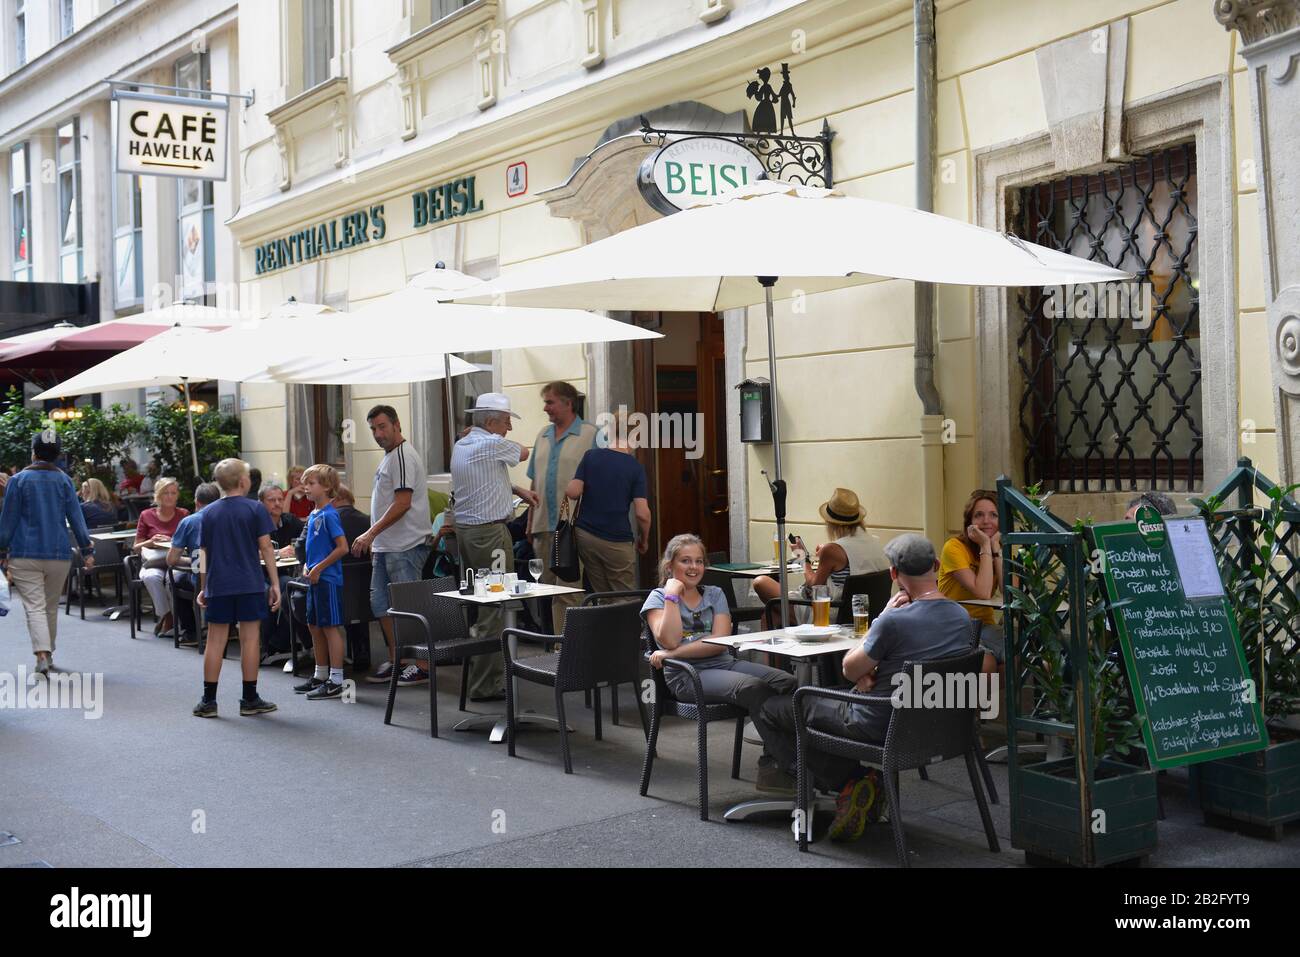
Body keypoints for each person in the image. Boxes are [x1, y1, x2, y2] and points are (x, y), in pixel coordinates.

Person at [751, 534, 977, 841]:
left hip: (876, 721)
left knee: (776, 707)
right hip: (937, 725)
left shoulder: (894, 621)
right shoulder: (961, 617)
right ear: (936, 566)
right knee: (818, 704)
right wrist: (876, 670)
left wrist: (882, 618)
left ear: (894, 574)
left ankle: (852, 779)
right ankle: (853, 782)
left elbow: (849, 668)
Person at [642, 533, 795, 786]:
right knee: (753, 688)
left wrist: (674, 653)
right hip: (686, 676)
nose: (694, 567)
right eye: (685, 561)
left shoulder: (715, 594)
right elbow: (669, 639)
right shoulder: (658, 598)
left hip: (723, 663)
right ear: (670, 566)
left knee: (786, 681)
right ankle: (788, 767)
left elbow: (719, 641)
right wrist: (671, 596)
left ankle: (775, 760)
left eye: (699, 561)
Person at [449, 393, 532, 701]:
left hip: (470, 533)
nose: (509, 427)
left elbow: (481, 479)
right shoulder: (489, 444)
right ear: (490, 421)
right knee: (496, 608)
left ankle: (483, 678)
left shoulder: (464, 444)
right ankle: (486, 684)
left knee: (482, 605)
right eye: (507, 420)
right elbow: (523, 453)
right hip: (490, 535)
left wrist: (515, 487)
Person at [352, 405, 433, 687]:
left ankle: (422, 665)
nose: (377, 434)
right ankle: (399, 660)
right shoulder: (389, 457)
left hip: (405, 545)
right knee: (381, 605)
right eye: (373, 429)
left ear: (397, 425)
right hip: (388, 545)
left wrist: (369, 534)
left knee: (409, 607)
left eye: (382, 427)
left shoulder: (401, 456)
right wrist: (375, 538)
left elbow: (402, 503)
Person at [0, 432, 94, 674]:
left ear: (33, 452)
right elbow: (76, 518)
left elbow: (7, 521)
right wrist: (86, 549)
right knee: (50, 606)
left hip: (24, 553)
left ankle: (42, 653)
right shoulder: (64, 481)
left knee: (34, 607)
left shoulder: (17, 480)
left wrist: (2, 549)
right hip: (59, 553)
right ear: (58, 455)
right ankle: (48, 653)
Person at [193, 458, 279, 718]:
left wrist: (203, 586)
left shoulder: (207, 513)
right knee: (250, 639)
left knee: (215, 640)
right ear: (243, 482)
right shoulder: (255, 509)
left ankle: (209, 701)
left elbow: (202, 554)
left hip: (219, 583)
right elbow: (265, 547)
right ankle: (249, 698)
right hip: (249, 583)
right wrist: (274, 582)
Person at [754, 487, 890, 626]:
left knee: (761, 582)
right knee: (771, 613)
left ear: (831, 522)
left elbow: (814, 588)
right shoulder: (874, 543)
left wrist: (802, 558)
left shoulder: (833, 550)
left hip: (829, 614)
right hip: (863, 613)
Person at [526, 381, 591, 632]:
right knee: (550, 591)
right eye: (545, 402)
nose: (545, 408)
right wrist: (530, 523)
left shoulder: (590, 434)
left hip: (573, 528)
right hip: (543, 526)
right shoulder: (542, 435)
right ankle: (558, 646)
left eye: (550, 402)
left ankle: (569, 650)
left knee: (568, 592)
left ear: (568, 403)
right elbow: (535, 481)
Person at [564, 411, 650, 595]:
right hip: (617, 539)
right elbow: (642, 513)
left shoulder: (591, 456)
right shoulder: (635, 467)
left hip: (585, 535)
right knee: (624, 596)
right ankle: (622, 624)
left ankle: (605, 622)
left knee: (601, 593)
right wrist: (644, 539)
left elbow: (572, 492)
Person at [292, 464, 349, 700]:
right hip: (314, 578)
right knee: (314, 626)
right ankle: (320, 674)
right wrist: (308, 565)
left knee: (329, 627)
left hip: (327, 580)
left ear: (326, 487)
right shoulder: (314, 514)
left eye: (311, 483)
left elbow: (342, 547)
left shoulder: (329, 515)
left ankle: (337, 680)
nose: (306, 487)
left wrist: (319, 568)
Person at [938, 489, 1004, 672]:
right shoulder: (953, 548)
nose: (986, 521)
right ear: (969, 522)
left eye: (993, 515)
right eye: (979, 515)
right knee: (986, 663)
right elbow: (982, 592)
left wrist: (996, 550)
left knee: (1024, 657)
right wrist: (985, 545)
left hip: (985, 625)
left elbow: (1010, 592)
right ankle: (977, 700)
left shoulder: (1000, 547)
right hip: (955, 627)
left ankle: (1003, 700)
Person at [132, 476, 189, 638]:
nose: (170, 497)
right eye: (166, 493)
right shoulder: (146, 515)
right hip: (153, 562)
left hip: (176, 561)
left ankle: (180, 619)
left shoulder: (183, 514)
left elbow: (189, 544)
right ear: (158, 496)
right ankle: (167, 616)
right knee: (151, 577)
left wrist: (173, 541)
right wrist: (151, 541)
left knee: (173, 580)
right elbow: (136, 547)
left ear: (177, 495)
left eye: (173, 493)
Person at [167, 482, 221, 648]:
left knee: (174, 580)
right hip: (229, 574)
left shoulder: (189, 522)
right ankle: (231, 628)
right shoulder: (228, 517)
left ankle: (191, 631)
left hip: (202, 576)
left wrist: (192, 560)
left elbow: (171, 560)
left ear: (197, 502)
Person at [258, 484, 304, 553]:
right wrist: (278, 553)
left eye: (280, 499)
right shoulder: (254, 524)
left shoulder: (291, 520)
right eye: (272, 500)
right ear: (261, 503)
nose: (277, 503)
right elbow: (249, 552)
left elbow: (308, 541)